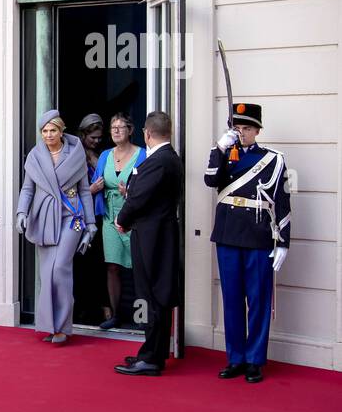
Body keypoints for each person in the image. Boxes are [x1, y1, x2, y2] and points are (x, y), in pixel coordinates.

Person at [204, 103, 291, 384]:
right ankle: (235, 358)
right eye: (237, 128)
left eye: (247, 128)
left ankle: (255, 360)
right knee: (231, 300)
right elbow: (210, 180)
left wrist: (283, 243)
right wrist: (218, 149)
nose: (242, 133)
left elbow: (283, 202)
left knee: (258, 300)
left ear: (257, 130)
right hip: (228, 235)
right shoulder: (223, 156)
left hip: (257, 236)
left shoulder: (274, 160)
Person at [17, 111, 96, 344]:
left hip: (72, 218)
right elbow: (27, 189)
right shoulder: (34, 156)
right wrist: (21, 212)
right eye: (44, 131)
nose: (48, 135)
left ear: (62, 131)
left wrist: (90, 223)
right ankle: (50, 325)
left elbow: (84, 190)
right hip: (44, 217)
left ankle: (62, 326)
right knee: (46, 273)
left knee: (61, 268)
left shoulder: (76, 153)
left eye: (53, 130)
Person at [114, 112, 183, 377]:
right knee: (157, 295)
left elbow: (138, 196)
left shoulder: (158, 161)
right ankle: (153, 352)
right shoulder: (170, 158)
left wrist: (123, 218)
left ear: (147, 133)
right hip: (157, 234)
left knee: (152, 296)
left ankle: (152, 358)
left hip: (152, 238)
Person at [91, 113, 146, 329]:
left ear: (131, 130)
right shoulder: (105, 155)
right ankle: (115, 315)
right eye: (113, 127)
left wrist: (130, 193)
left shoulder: (142, 155)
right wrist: (93, 189)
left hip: (134, 218)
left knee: (139, 267)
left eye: (121, 127)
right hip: (109, 216)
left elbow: (148, 187)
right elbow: (95, 182)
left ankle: (142, 317)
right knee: (112, 266)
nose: (115, 131)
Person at [73, 113, 109, 325]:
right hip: (79, 218)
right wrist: (91, 189)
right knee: (81, 265)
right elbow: (67, 190)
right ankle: (80, 310)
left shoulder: (102, 155)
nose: (96, 141)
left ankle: (99, 309)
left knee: (98, 265)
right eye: (92, 137)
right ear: (83, 135)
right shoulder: (76, 156)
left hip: (99, 216)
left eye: (98, 137)